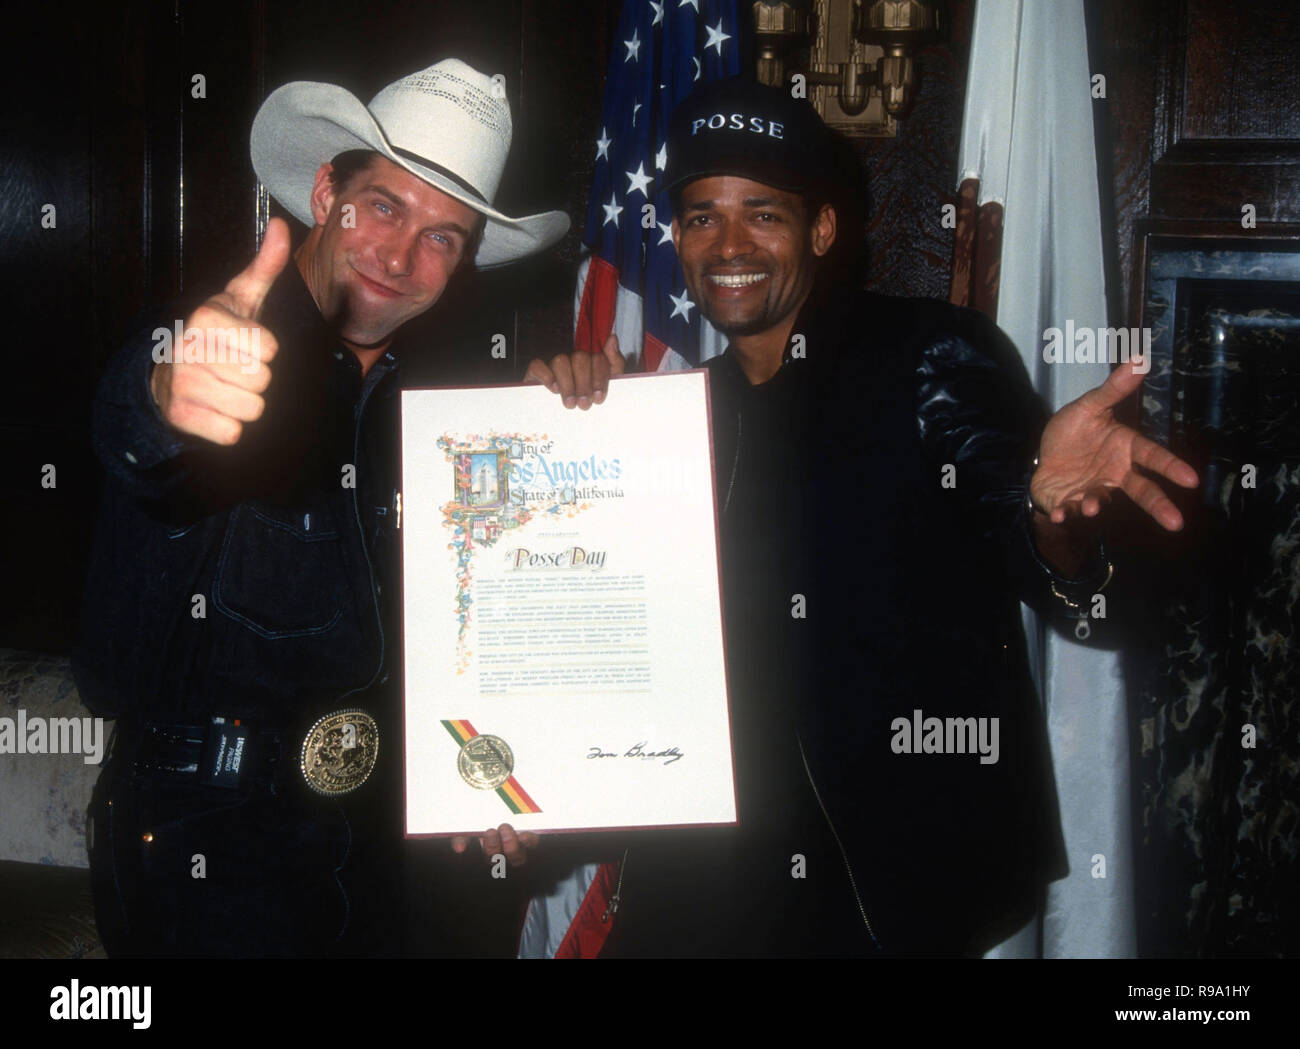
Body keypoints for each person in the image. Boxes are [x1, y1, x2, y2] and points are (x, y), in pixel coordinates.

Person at [523, 77, 1199, 957]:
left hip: (876, 889)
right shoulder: (673, 413)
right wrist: (556, 440)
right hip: (700, 875)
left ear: (823, 229)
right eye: (701, 216)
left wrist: (1051, 511)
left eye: (763, 213)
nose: (728, 244)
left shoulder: (925, 353)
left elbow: (1035, 540)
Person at [74, 58, 569, 957]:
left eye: (443, 237)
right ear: (324, 190)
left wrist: (495, 776)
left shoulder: (460, 412)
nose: (401, 256)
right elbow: (138, 431)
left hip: (408, 863)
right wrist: (165, 399)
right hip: (210, 862)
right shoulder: (211, 350)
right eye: (383, 206)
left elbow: (489, 643)